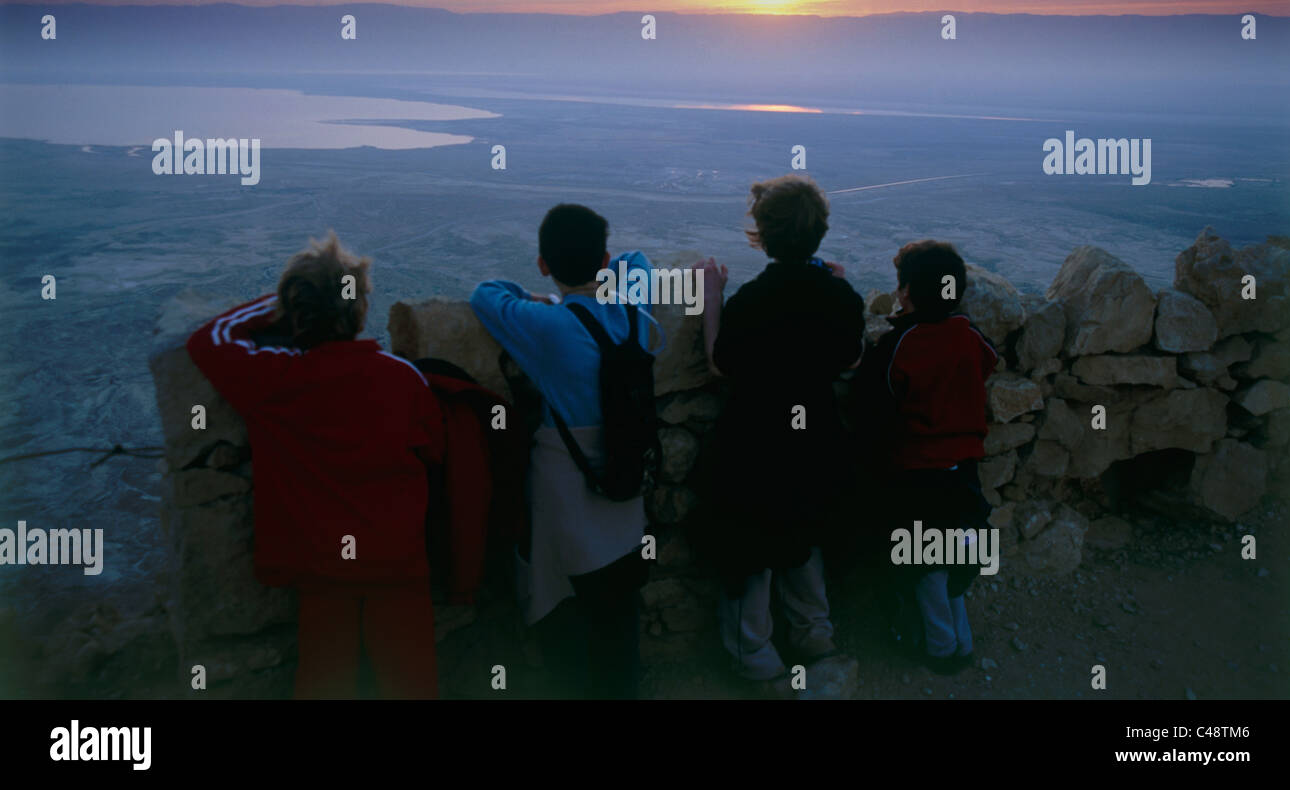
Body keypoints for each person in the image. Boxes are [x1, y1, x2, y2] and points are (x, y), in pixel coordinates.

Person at [186, 231, 445, 698]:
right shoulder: (404, 380)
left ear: (297, 311)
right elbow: (434, 450)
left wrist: (286, 299)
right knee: (411, 680)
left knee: (324, 679)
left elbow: (210, 339)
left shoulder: (276, 382)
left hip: (322, 566)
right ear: (361, 309)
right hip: (398, 562)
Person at [469, 203, 654, 699]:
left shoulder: (549, 327)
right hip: (625, 477)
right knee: (618, 609)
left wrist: (540, 297)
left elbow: (485, 295)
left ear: (543, 264)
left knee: (564, 603)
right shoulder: (633, 307)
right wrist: (605, 273)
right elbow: (636, 259)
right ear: (604, 258)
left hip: (568, 489)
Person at [695, 175, 864, 698]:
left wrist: (712, 301)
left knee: (751, 543)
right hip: (816, 439)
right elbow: (851, 358)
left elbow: (722, 365)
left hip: (756, 440)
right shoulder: (839, 295)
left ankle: (756, 656)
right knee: (804, 529)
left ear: (763, 236)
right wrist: (839, 285)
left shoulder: (754, 299)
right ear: (818, 232)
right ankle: (816, 637)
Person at [851, 239, 998, 674]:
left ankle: (940, 647)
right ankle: (962, 642)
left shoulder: (901, 344)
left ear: (908, 293)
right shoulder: (968, 335)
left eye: (901, 287)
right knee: (956, 560)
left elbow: (873, 403)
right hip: (964, 472)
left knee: (925, 566)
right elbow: (990, 361)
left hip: (918, 475)